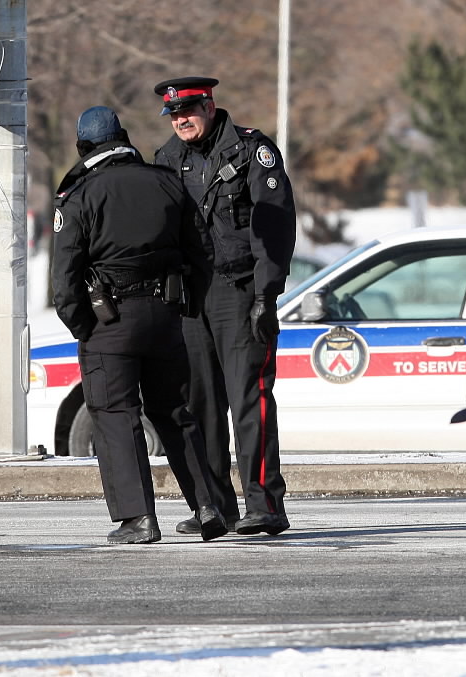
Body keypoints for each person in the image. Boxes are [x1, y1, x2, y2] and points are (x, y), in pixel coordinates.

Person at [52, 106, 227, 544]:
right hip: (165, 315)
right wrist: (186, 308)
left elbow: (65, 276)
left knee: (115, 415)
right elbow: (202, 250)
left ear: (84, 147)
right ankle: (207, 507)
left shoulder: (80, 194)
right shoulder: (166, 182)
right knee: (175, 413)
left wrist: (82, 326)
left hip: (109, 321)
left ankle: (138, 519)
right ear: (123, 138)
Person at [153, 76, 296, 536]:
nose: (181, 119)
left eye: (189, 110)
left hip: (240, 292)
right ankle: (215, 508)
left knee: (248, 400)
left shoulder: (252, 151)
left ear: (210, 105)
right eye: (174, 114)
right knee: (201, 407)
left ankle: (266, 504)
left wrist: (265, 294)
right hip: (192, 298)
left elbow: (273, 228)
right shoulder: (166, 160)